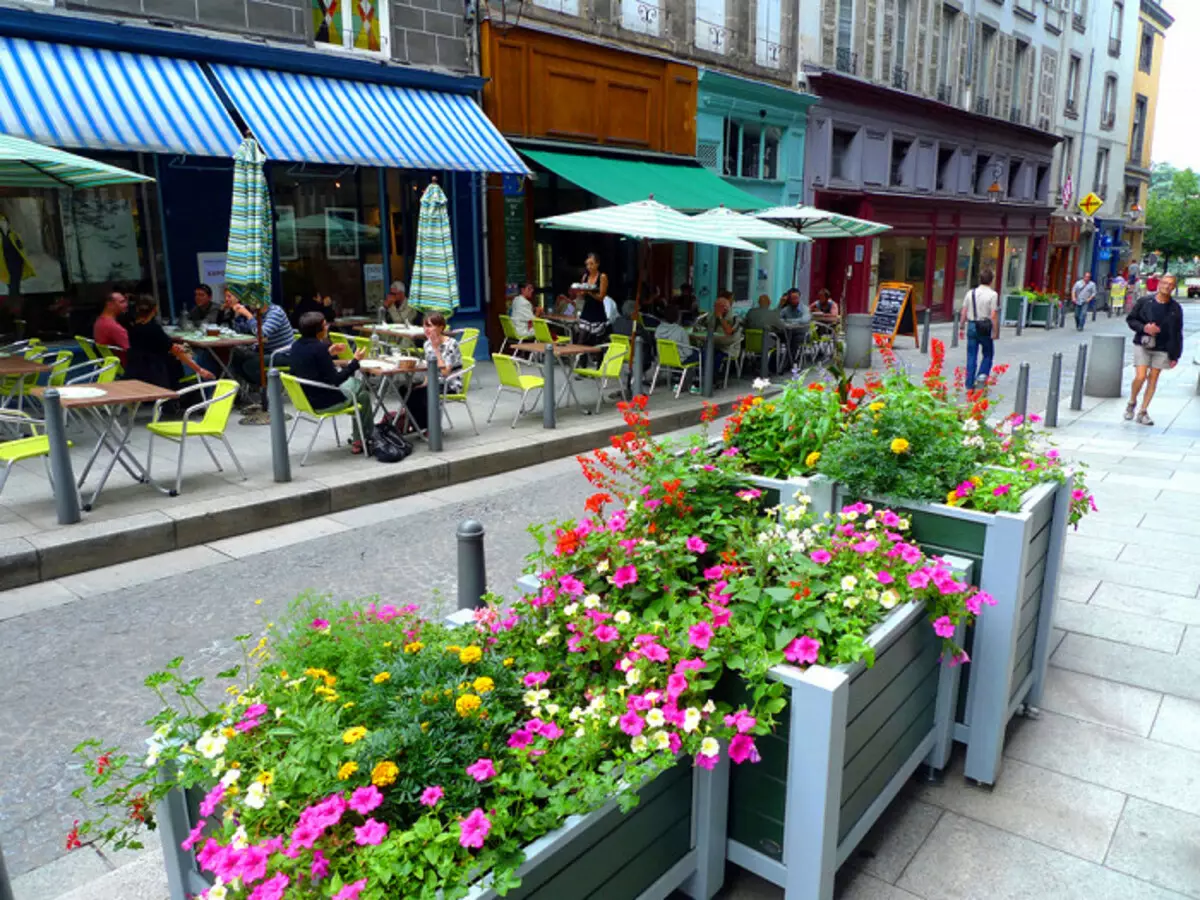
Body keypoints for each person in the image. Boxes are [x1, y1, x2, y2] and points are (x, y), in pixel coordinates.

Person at [290, 311, 375, 453]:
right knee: (358, 384)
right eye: (325, 325)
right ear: (318, 330)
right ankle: (369, 437)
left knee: (363, 397)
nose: (328, 327)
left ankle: (359, 440)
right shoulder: (319, 348)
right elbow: (336, 380)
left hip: (306, 399)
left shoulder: (296, 345)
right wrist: (355, 362)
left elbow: (310, 363)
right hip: (325, 401)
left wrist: (328, 353)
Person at [1124, 274, 1183, 427]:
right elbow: (1131, 319)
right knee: (1141, 376)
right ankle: (1132, 401)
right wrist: (1144, 328)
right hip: (1143, 343)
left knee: (1154, 378)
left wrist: (1175, 355)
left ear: (1174, 287)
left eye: (1170, 284)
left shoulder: (1175, 308)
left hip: (1163, 347)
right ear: (1159, 284)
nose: (1167, 286)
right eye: (1164, 283)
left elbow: (1177, 332)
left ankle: (1143, 411)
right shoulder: (1145, 302)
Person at [125, 294, 212, 390]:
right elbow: (173, 350)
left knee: (186, 350)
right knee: (199, 355)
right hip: (159, 373)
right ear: (155, 309)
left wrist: (175, 346)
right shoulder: (154, 329)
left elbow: (163, 345)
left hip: (137, 371)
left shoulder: (132, 329)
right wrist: (199, 369)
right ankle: (208, 392)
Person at [227, 291, 293, 400]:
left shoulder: (275, 312)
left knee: (250, 365)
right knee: (236, 356)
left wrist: (248, 315)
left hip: (282, 353)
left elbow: (261, 333)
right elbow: (244, 331)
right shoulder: (258, 313)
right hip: (263, 350)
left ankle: (271, 389)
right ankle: (258, 388)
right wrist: (237, 317)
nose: (249, 303)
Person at [406, 313, 463, 434]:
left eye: (430, 326)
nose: (426, 329)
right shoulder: (427, 344)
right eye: (424, 326)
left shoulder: (451, 344)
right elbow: (429, 369)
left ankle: (432, 427)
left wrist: (436, 349)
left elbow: (445, 372)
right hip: (434, 381)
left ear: (441, 327)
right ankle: (420, 425)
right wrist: (425, 382)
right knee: (407, 389)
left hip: (450, 383)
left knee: (425, 393)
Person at [958, 268, 1000, 392]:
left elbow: (964, 311)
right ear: (991, 281)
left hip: (971, 325)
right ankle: (981, 378)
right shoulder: (993, 295)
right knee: (987, 354)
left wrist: (961, 326)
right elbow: (993, 314)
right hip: (985, 326)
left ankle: (969, 385)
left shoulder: (970, 293)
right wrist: (995, 331)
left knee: (971, 355)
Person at [743, 294, 787, 371]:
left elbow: (745, 325)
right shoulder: (771, 314)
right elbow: (782, 327)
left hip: (749, 343)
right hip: (766, 343)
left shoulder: (751, 312)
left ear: (758, 302)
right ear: (769, 302)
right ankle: (774, 367)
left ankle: (753, 363)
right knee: (779, 341)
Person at [576, 253, 609, 346]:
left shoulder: (602, 277)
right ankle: (580, 358)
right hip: (587, 310)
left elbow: (601, 297)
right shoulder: (585, 277)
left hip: (597, 311)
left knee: (596, 343)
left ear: (597, 264)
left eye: (591, 264)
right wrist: (580, 292)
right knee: (581, 339)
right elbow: (582, 295)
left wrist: (589, 292)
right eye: (587, 264)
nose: (589, 267)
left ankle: (596, 360)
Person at [94, 290, 130, 365]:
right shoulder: (113, 327)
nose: (126, 305)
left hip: (109, 363)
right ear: (110, 304)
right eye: (122, 302)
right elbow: (129, 350)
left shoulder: (99, 322)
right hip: (124, 365)